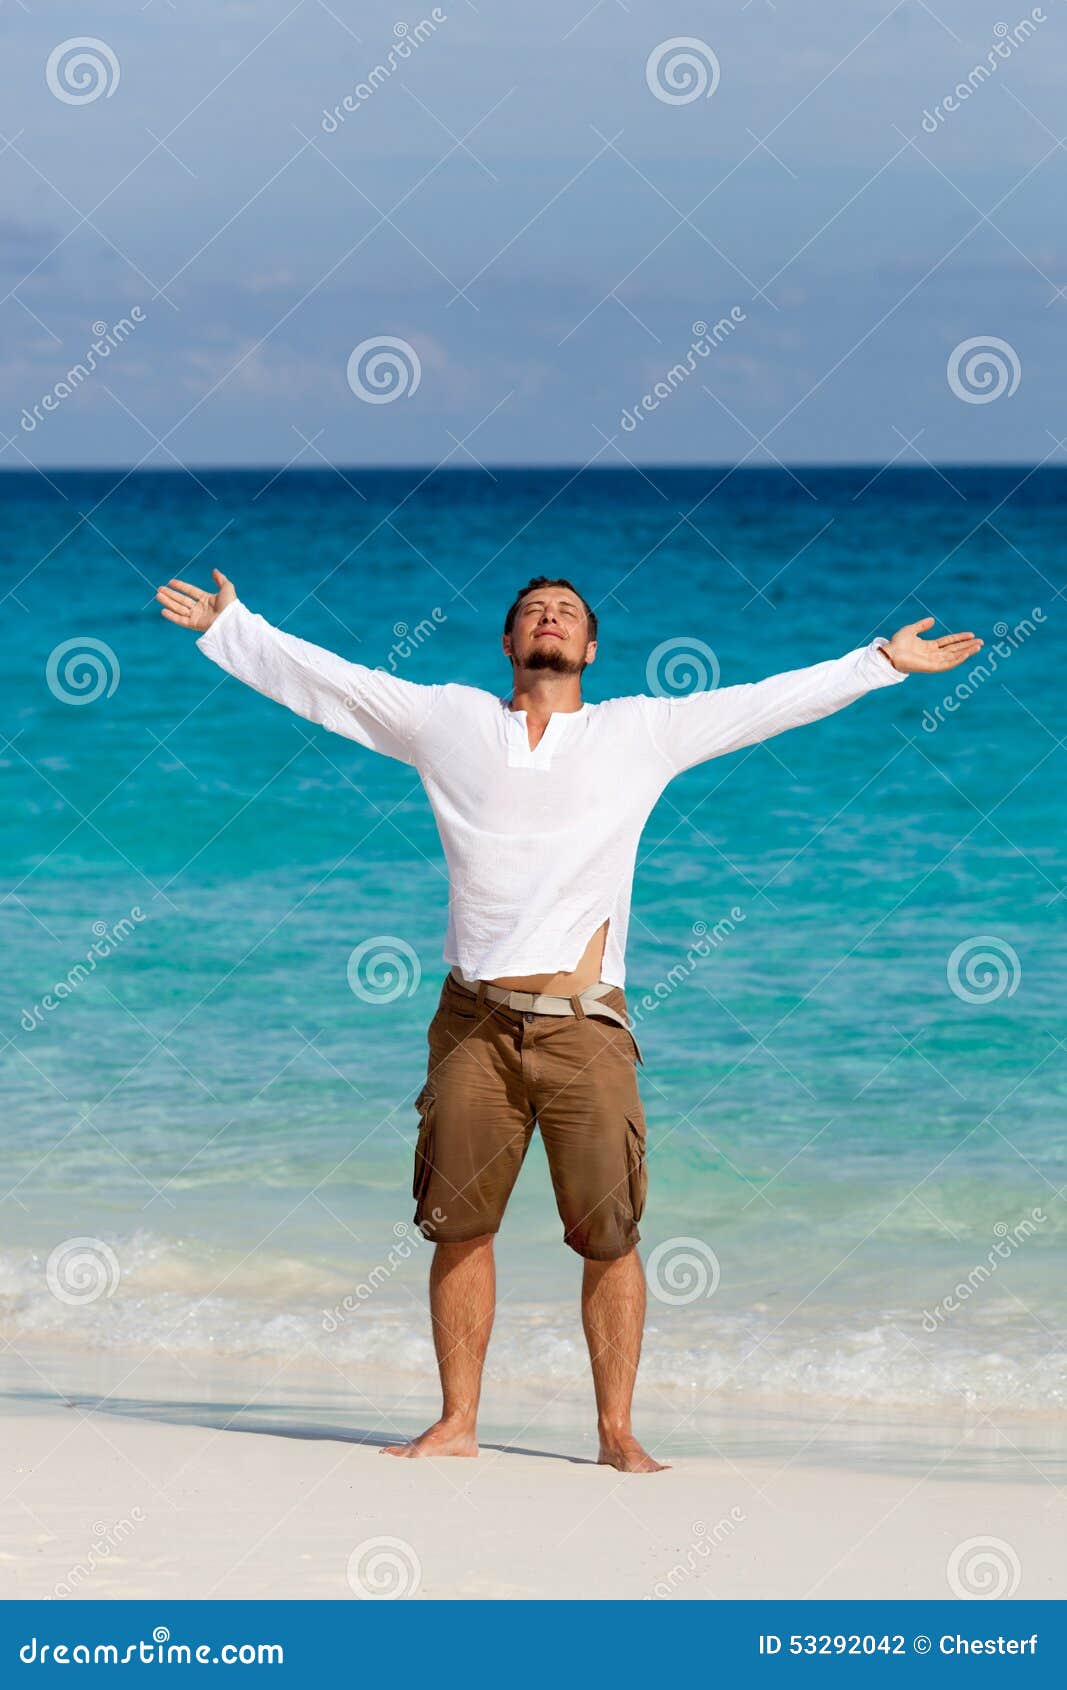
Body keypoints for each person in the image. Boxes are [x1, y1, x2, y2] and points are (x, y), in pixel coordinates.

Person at [158, 568, 981, 1472]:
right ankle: (456, 1423)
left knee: (610, 1235)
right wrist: (234, 626)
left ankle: (615, 1432)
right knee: (459, 1227)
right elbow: (332, 684)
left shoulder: (640, 732)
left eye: (568, 615)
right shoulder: (449, 722)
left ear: (589, 649)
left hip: (584, 1026)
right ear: (508, 644)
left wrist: (879, 663)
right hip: (472, 1022)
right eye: (531, 613)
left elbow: (766, 703)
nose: (549, 620)